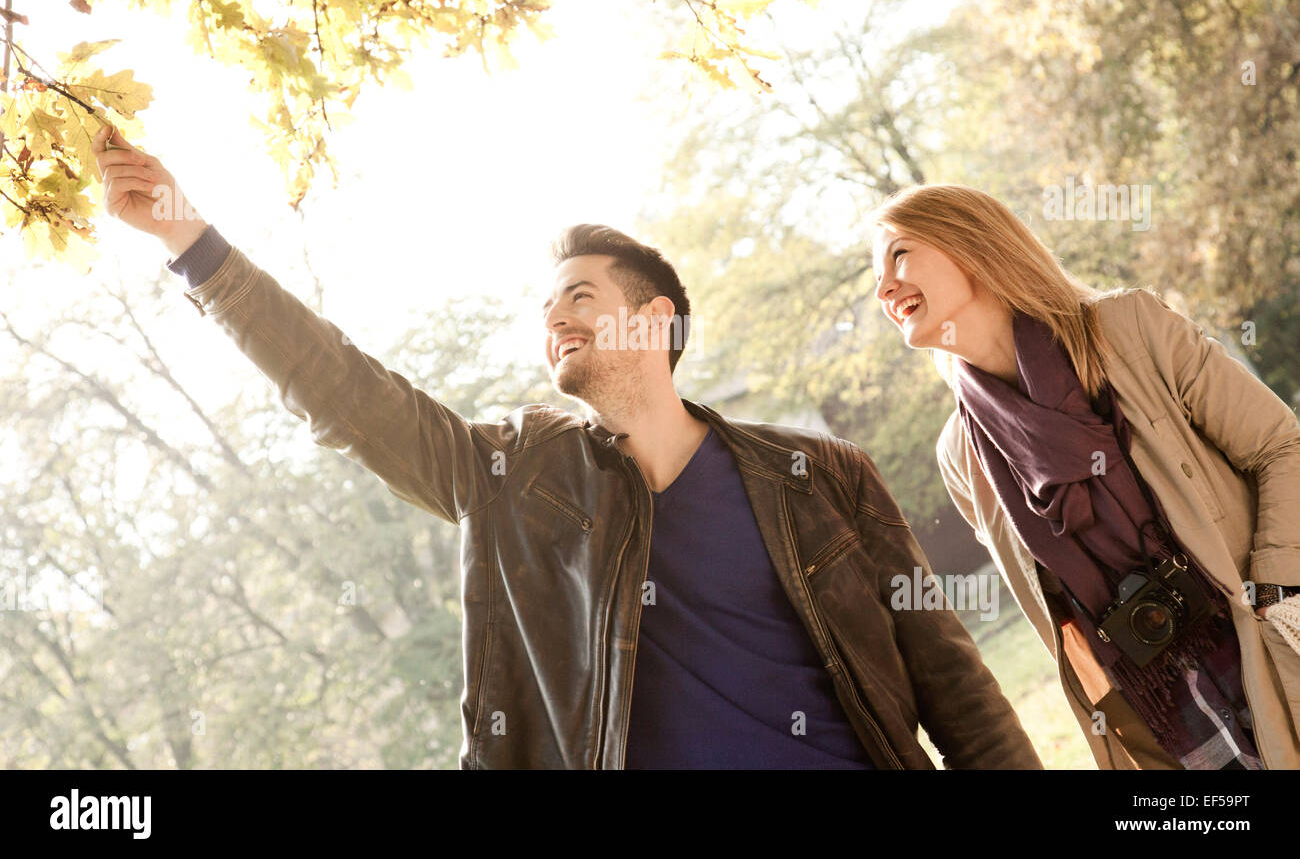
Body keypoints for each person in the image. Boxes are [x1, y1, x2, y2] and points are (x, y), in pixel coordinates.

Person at [91, 125, 1041, 769]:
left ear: (653, 319)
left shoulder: (820, 477)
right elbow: (346, 395)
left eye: (580, 295)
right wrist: (187, 235)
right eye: (544, 306)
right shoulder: (512, 478)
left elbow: (956, 688)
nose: (553, 316)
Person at [870, 182, 1300, 770]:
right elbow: (1064, 621)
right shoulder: (961, 456)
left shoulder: (1129, 329)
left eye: (899, 254)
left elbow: (1281, 446)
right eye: (877, 272)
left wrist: (1276, 591)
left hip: (1274, 646)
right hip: (1169, 721)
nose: (883, 287)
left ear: (969, 241)